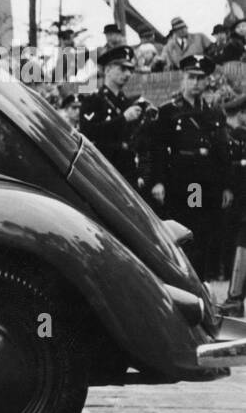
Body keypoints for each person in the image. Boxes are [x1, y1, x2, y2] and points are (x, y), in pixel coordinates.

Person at [139, 55, 230, 279]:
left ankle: (201, 279)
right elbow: (158, 148)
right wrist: (158, 181)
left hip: (208, 182)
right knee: (187, 229)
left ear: (207, 81)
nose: (196, 83)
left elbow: (222, 152)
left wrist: (227, 186)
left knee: (205, 232)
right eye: (191, 77)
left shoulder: (214, 113)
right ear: (183, 78)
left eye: (201, 78)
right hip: (185, 182)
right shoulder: (169, 112)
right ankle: (186, 279)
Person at [80, 46, 145, 188]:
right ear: (108, 70)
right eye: (122, 69)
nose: (127, 74)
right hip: (105, 169)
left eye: (130, 70)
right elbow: (88, 132)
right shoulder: (93, 100)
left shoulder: (126, 102)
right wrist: (123, 119)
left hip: (128, 170)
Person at [217, 93, 246, 314]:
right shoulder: (225, 135)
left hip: (230, 199)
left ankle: (235, 296)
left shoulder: (236, 136)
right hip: (194, 191)